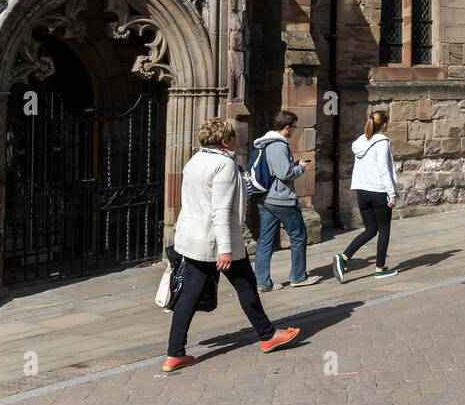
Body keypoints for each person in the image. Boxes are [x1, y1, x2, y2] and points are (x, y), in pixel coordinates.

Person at [163, 118, 299, 373]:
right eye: (233, 137)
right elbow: (222, 211)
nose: (237, 140)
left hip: (194, 239)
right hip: (218, 241)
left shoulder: (195, 161)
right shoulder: (223, 165)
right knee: (246, 286)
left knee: (190, 295)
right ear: (225, 140)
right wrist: (225, 249)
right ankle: (268, 335)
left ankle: (174, 353)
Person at [249, 111, 320, 291]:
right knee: (298, 236)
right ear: (287, 127)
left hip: (265, 199)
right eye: (294, 127)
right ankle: (298, 276)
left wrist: (293, 164)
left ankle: (262, 282)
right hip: (280, 199)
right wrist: (301, 168)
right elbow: (284, 174)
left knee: (265, 240)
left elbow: (276, 168)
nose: (294, 130)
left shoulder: (265, 142)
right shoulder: (278, 145)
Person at [333, 110, 398, 281]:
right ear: (384, 124)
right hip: (378, 191)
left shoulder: (361, 141)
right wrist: (392, 194)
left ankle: (344, 257)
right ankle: (380, 268)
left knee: (370, 230)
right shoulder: (382, 142)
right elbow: (384, 170)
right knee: (384, 231)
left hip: (362, 191)